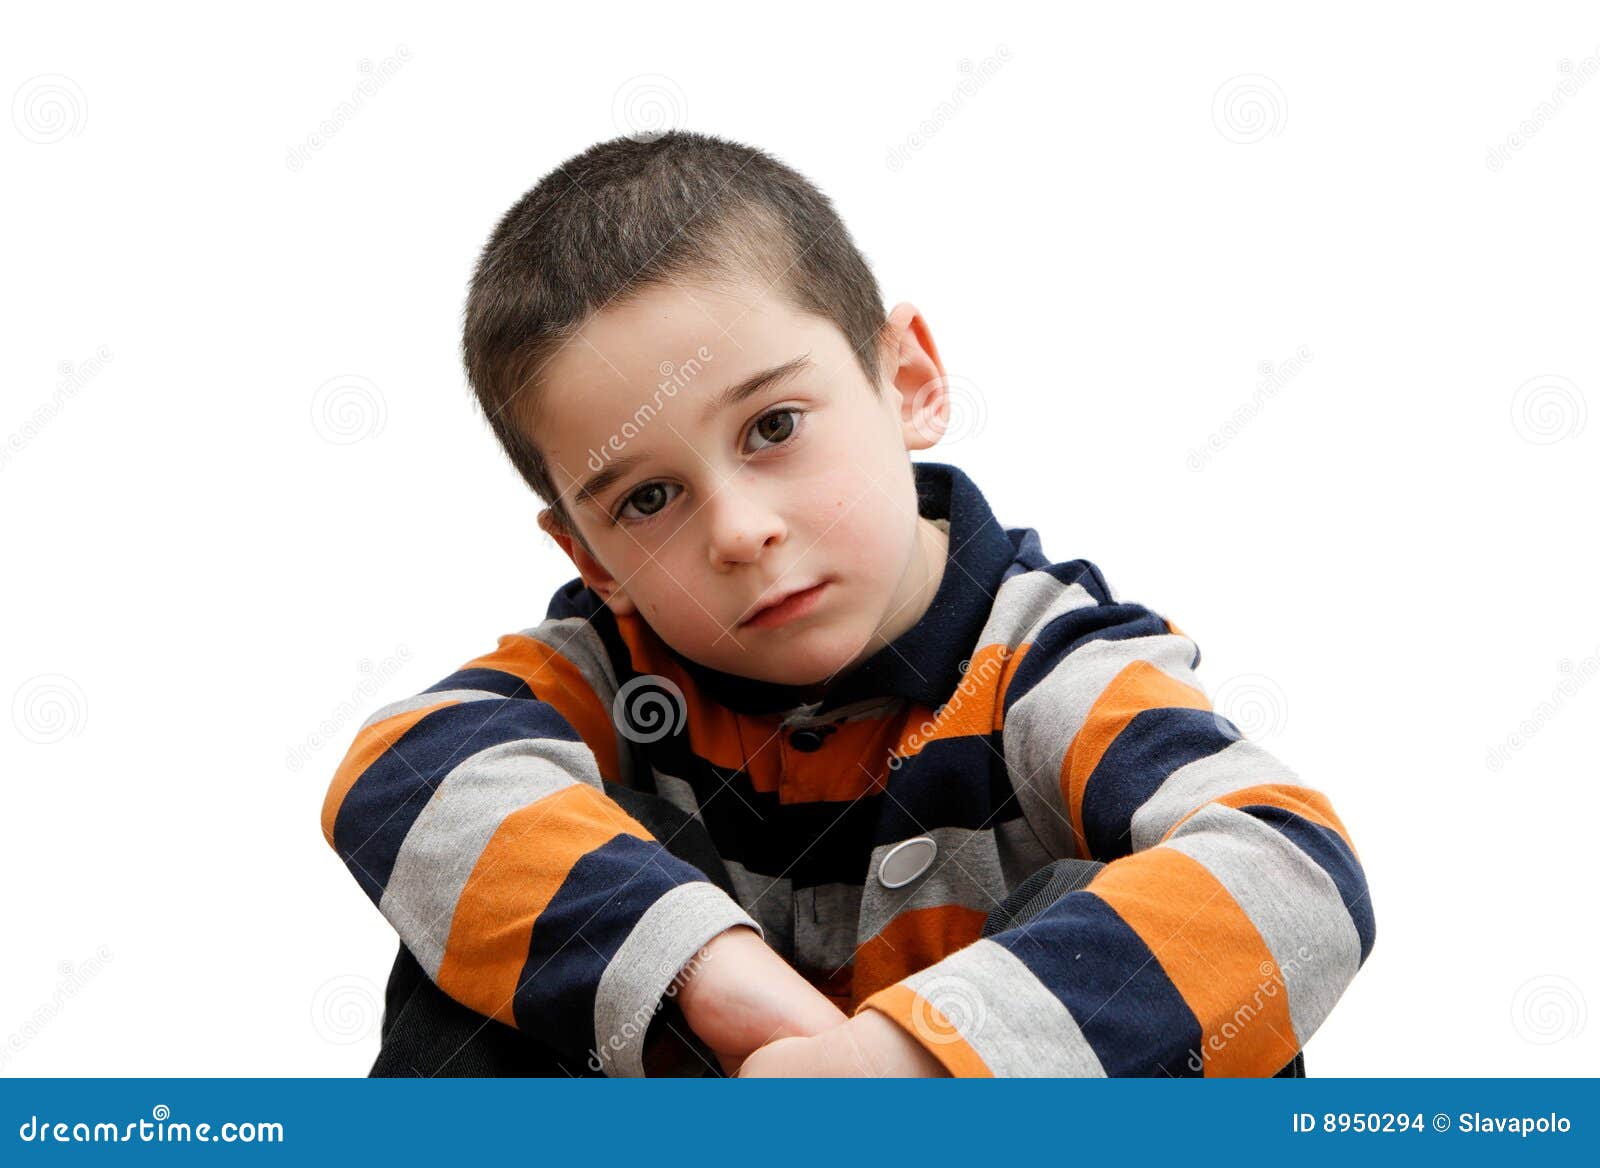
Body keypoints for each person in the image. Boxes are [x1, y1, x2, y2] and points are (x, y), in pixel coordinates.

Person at [319, 130, 1372, 1078]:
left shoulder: (1049, 660)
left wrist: (898, 1060)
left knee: (1128, 908)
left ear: (907, 378)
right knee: (501, 882)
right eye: (646, 498)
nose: (737, 532)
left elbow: (1292, 865)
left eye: (773, 426)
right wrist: (703, 969)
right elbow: (402, 767)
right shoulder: (608, 668)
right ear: (589, 555)